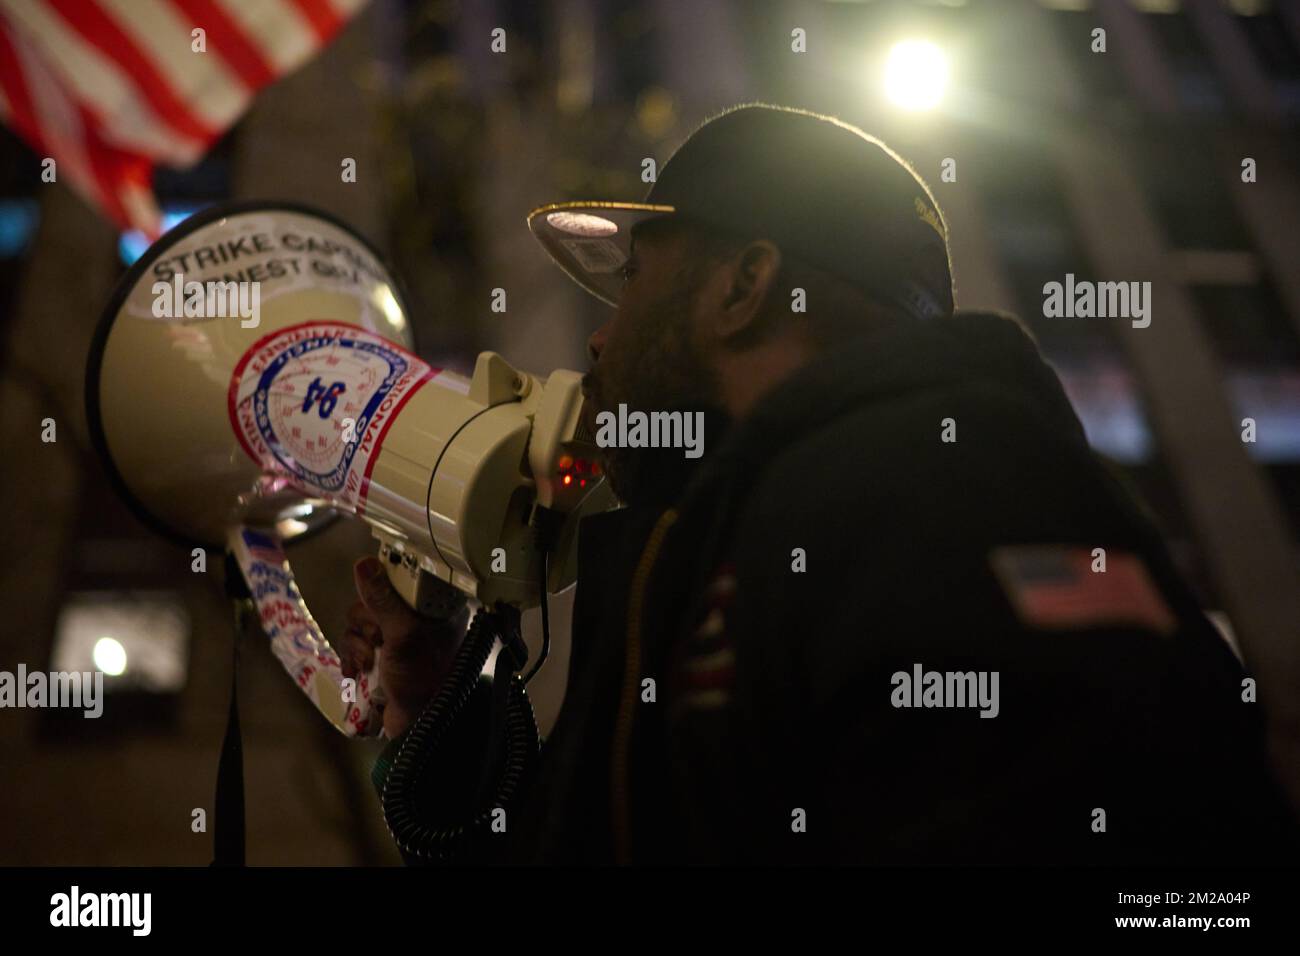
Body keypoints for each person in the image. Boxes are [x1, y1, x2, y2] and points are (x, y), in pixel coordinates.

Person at [338, 104, 1297, 865]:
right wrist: (435, 699)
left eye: (633, 280)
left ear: (744, 286)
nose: (596, 338)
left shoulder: (952, 491)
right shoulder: (738, 533)